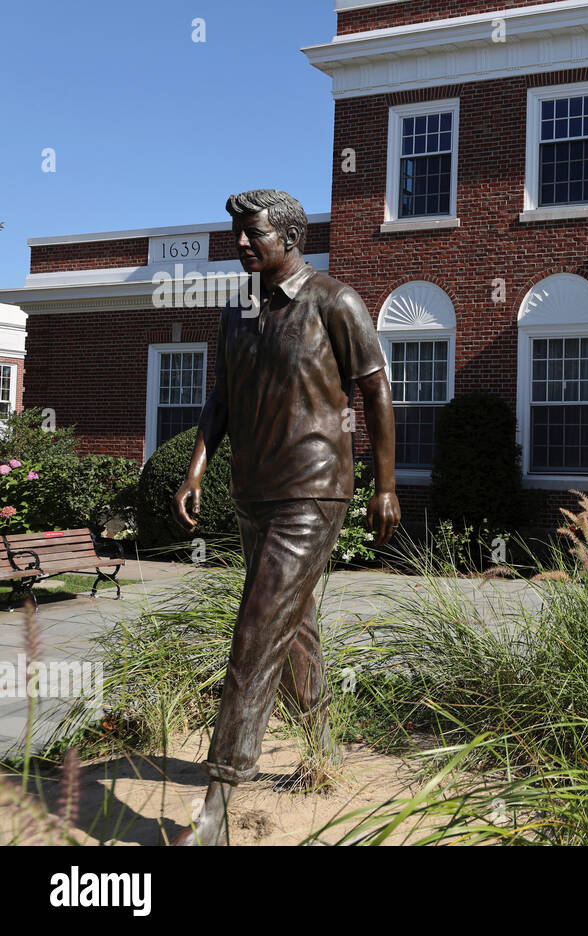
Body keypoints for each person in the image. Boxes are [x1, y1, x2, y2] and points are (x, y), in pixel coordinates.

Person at [170, 189, 399, 845]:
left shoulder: (334, 300)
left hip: (314, 491)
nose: (240, 244)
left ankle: (215, 804)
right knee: (292, 624)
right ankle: (323, 748)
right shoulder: (238, 311)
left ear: (290, 237)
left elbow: (376, 389)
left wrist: (384, 483)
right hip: (254, 492)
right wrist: (195, 467)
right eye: (236, 233)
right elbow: (220, 396)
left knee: (256, 630)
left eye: (252, 233)